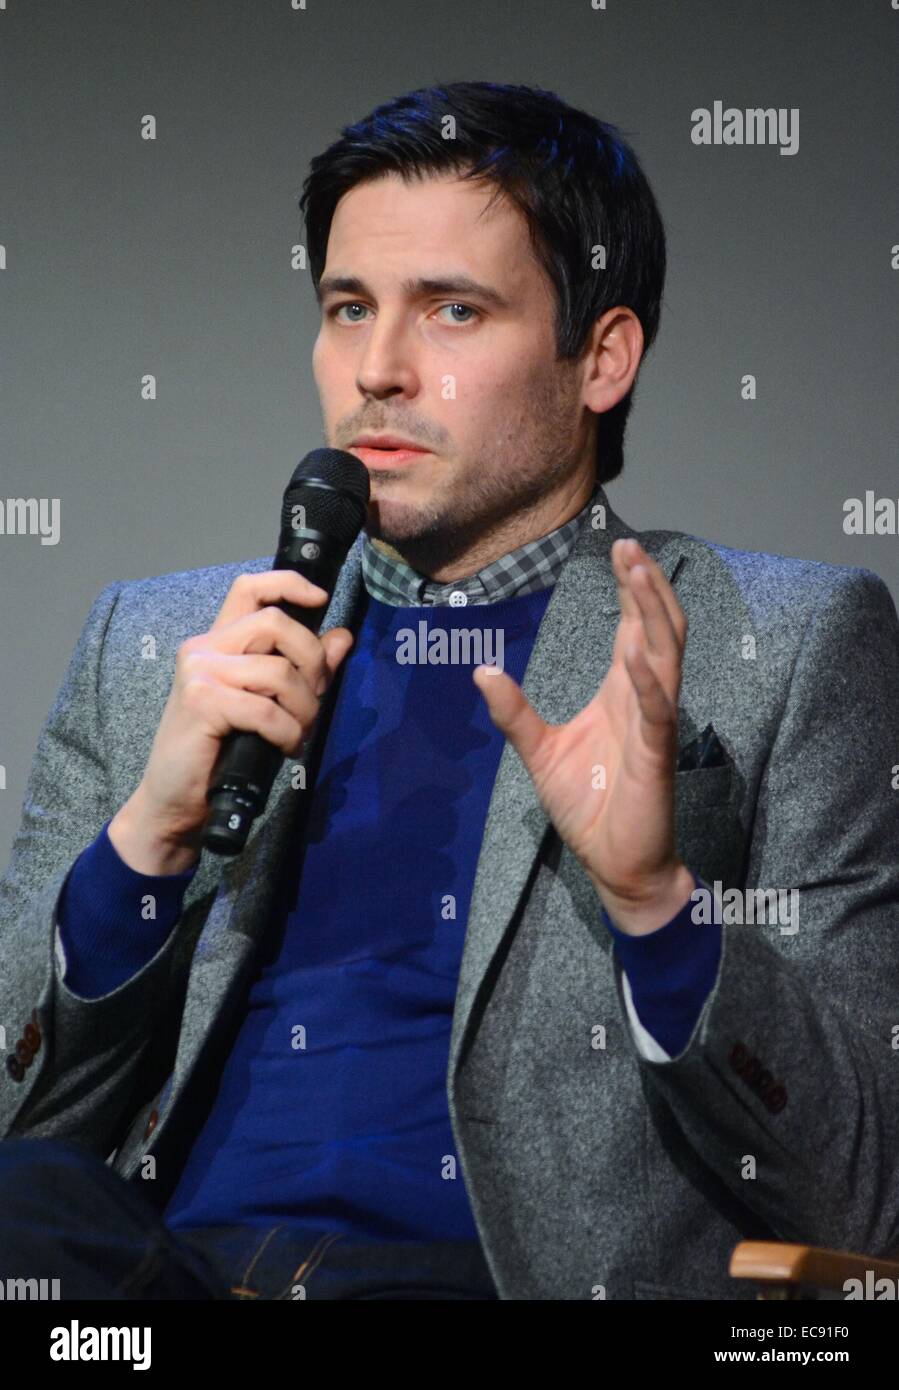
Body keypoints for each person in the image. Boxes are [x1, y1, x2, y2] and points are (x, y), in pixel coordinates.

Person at [2, 80, 899, 1302]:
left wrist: (653, 903)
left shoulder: (783, 643)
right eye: (348, 307)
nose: (376, 369)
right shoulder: (159, 644)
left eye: (453, 312)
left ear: (600, 357)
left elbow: (857, 1186)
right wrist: (143, 850)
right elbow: (24, 1116)